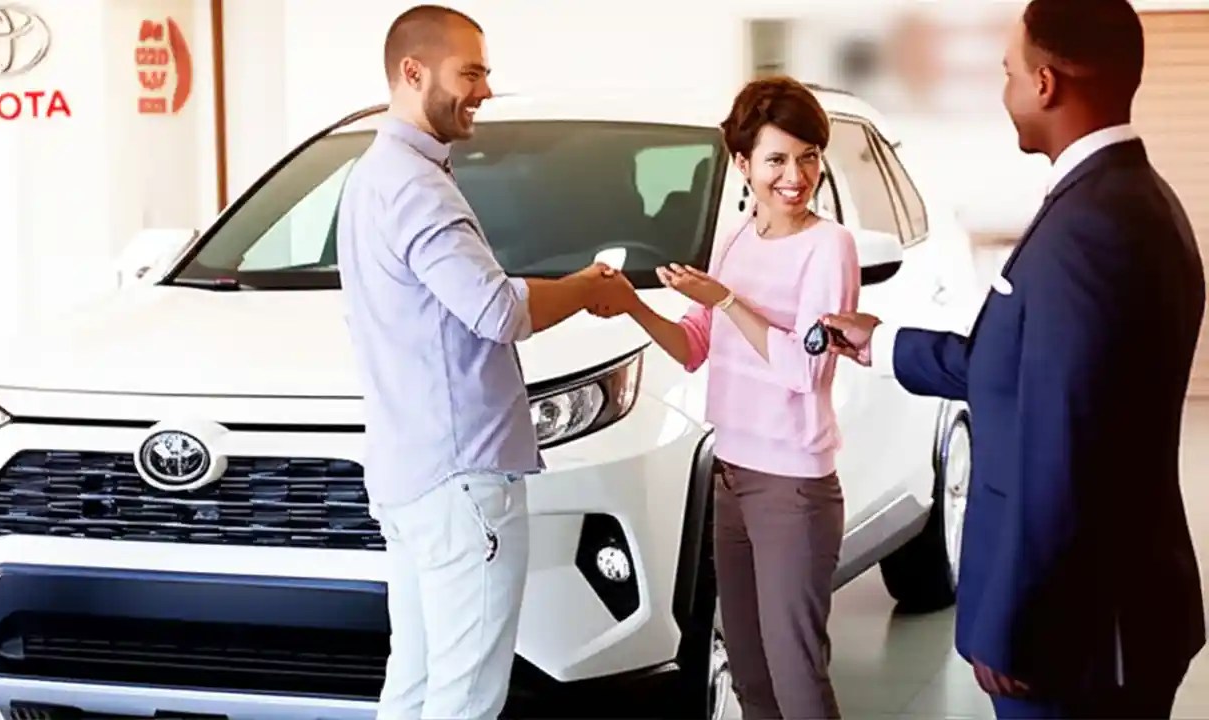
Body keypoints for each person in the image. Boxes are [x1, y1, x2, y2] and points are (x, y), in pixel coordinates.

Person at [820, 0, 1206, 717]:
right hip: (1111, 612)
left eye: (1008, 73)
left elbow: (1063, 448)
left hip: (1078, 634)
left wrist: (1014, 622)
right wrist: (883, 343)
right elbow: (1028, 371)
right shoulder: (1126, 199)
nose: (1005, 95)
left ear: (1046, 85)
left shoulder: (1094, 228)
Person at [335, 5, 633, 719]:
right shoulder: (416, 186)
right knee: (466, 696)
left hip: (411, 476)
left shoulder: (371, 177)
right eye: (470, 72)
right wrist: (587, 289)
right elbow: (497, 311)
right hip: (462, 481)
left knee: (413, 684)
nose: (485, 90)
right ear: (413, 72)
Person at [596, 76, 857, 720]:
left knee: (796, 673)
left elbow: (807, 369)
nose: (795, 175)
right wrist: (632, 306)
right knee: (746, 669)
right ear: (743, 165)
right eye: (776, 159)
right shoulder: (735, 240)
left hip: (793, 488)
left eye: (808, 157)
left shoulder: (830, 247)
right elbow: (692, 345)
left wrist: (730, 301)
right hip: (732, 479)